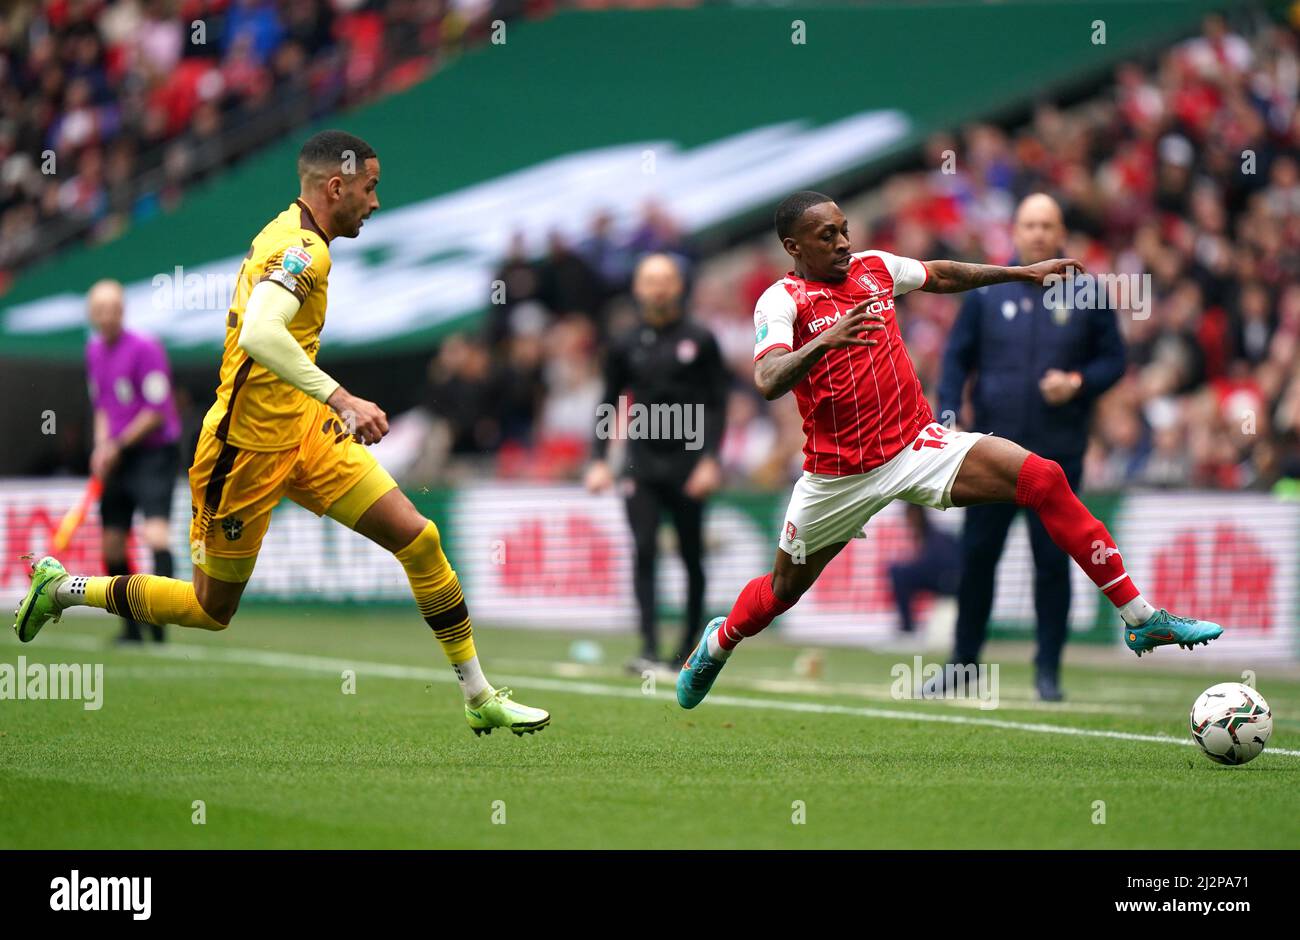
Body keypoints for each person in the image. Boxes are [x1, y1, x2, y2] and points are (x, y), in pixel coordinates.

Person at [14, 130, 549, 737]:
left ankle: (478, 695)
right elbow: (260, 335)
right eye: (370, 189)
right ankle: (65, 589)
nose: (376, 203)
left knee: (419, 540)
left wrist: (324, 405)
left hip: (308, 434)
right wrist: (343, 396)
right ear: (336, 186)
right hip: (243, 451)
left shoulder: (292, 234)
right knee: (209, 610)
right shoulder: (303, 251)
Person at [676, 191, 1222, 710]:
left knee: (1045, 478)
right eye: (827, 235)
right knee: (781, 592)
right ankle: (719, 642)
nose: (844, 242)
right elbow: (768, 377)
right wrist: (824, 340)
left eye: (845, 230)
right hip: (838, 475)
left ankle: (1140, 615)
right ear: (793, 246)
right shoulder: (782, 300)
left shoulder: (875, 269)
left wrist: (1019, 273)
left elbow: (940, 273)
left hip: (916, 443)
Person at [937, 193, 1125, 701]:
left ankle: (1048, 671)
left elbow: (1115, 361)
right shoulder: (987, 292)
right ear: (1015, 233)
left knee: (1052, 562)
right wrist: (948, 419)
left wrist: (1079, 382)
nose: (1039, 234)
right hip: (990, 455)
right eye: (1030, 225)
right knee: (977, 558)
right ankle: (962, 665)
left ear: (1060, 233)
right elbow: (956, 362)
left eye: (1048, 225)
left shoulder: (1088, 292)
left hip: (1057, 455)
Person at [585, 253, 729, 672]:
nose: (659, 287)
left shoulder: (701, 338)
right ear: (638, 288)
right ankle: (648, 648)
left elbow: (718, 404)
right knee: (644, 548)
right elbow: (608, 401)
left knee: (690, 555)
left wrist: (711, 461)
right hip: (640, 465)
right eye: (650, 280)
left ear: (679, 286)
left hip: (689, 464)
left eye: (666, 279)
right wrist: (598, 460)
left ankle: (687, 650)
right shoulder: (624, 343)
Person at [84, 278, 183, 644]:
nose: (107, 316)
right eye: (99, 311)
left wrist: (118, 445)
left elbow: (157, 411)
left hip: (153, 453)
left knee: (155, 533)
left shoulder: (146, 348)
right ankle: (131, 629)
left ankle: (159, 622)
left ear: (123, 310)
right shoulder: (93, 351)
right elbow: (102, 408)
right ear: (91, 315)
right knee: (111, 544)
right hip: (117, 456)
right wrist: (100, 448)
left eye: (113, 309)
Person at [888, 504, 961, 635]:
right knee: (899, 572)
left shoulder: (935, 538)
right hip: (945, 580)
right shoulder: (928, 536)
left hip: (948, 582)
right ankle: (907, 625)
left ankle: (907, 626)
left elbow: (936, 565)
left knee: (899, 574)